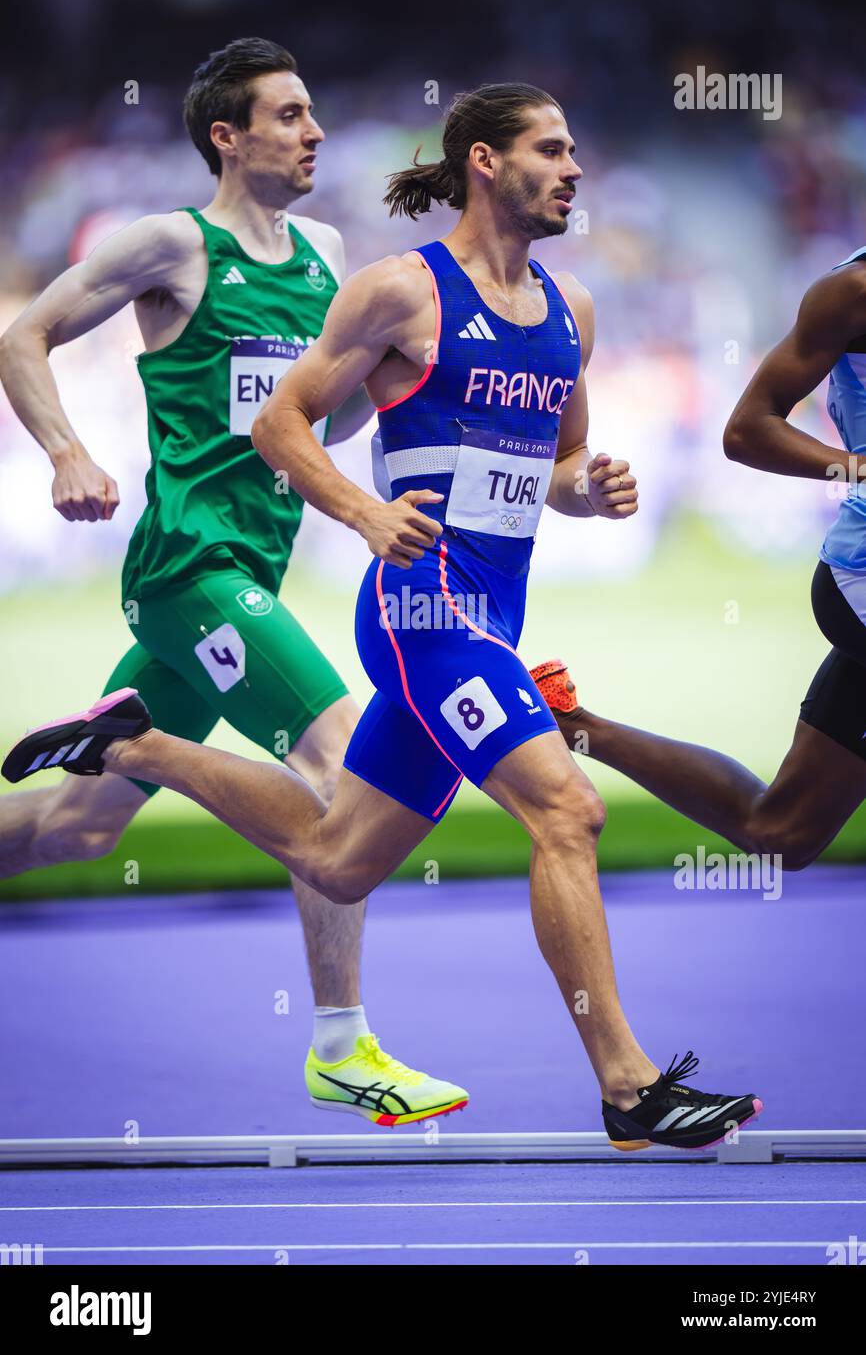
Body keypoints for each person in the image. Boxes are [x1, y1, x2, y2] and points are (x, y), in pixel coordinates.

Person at [4, 83, 762, 1150]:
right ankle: (627, 1087)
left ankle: (140, 747)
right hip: (419, 609)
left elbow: (558, 461)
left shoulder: (571, 311)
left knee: (337, 857)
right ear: (487, 163)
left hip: (490, 613)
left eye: (578, 146)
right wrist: (363, 512)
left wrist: (588, 488)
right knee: (565, 809)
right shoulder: (399, 292)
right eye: (552, 147)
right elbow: (280, 422)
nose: (576, 167)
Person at [0, 36, 467, 1128]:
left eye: (313, 115)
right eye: (290, 115)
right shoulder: (173, 242)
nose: (314, 134)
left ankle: (107, 742)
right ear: (228, 134)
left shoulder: (323, 252)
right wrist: (67, 449)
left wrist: (396, 385)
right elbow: (24, 333)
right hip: (187, 568)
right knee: (347, 770)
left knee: (75, 830)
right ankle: (342, 1047)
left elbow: (311, 417)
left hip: (250, 571)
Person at [531, 246, 866, 874]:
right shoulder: (852, 289)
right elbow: (746, 430)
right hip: (861, 574)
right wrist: (856, 468)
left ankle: (572, 723)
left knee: (781, 833)